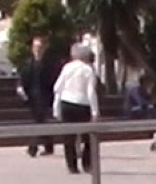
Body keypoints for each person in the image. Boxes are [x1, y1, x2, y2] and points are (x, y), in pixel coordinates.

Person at [53, 41, 99, 173]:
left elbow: (57, 87)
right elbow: (91, 92)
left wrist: (56, 107)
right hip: (82, 104)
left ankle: (72, 166)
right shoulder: (88, 70)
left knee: (69, 138)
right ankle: (87, 163)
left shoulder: (67, 67)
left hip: (67, 102)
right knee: (88, 137)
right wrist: (95, 111)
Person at [20, 35, 59, 156]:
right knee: (40, 121)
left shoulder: (50, 64)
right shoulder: (28, 63)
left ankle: (33, 147)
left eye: (40, 47)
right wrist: (20, 88)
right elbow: (23, 79)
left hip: (45, 96)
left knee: (39, 121)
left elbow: (53, 80)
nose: (37, 49)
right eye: (35, 47)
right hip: (32, 96)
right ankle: (49, 146)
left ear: (45, 48)